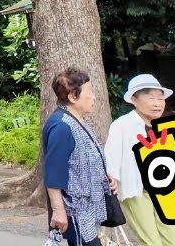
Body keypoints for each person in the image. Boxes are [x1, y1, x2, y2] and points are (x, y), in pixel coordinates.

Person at [42, 68, 119, 246]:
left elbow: (84, 159)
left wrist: (106, 178)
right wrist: (58, 210)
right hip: (74, 211)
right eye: (89, 92)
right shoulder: (61, 126)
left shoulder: (79, 120)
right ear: (72, 97)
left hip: (87, 209)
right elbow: (54, 172)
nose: (93, 97)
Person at [104, 74, 175, 246]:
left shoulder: (165, 127)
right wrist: (113, 179)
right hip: (136, 191)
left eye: (161, 98)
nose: (157, 103)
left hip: (164, 193)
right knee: (151, 243)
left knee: (173, 241)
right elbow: (111, 157)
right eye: (151, 98)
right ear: (134, 100)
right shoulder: (122, 125)